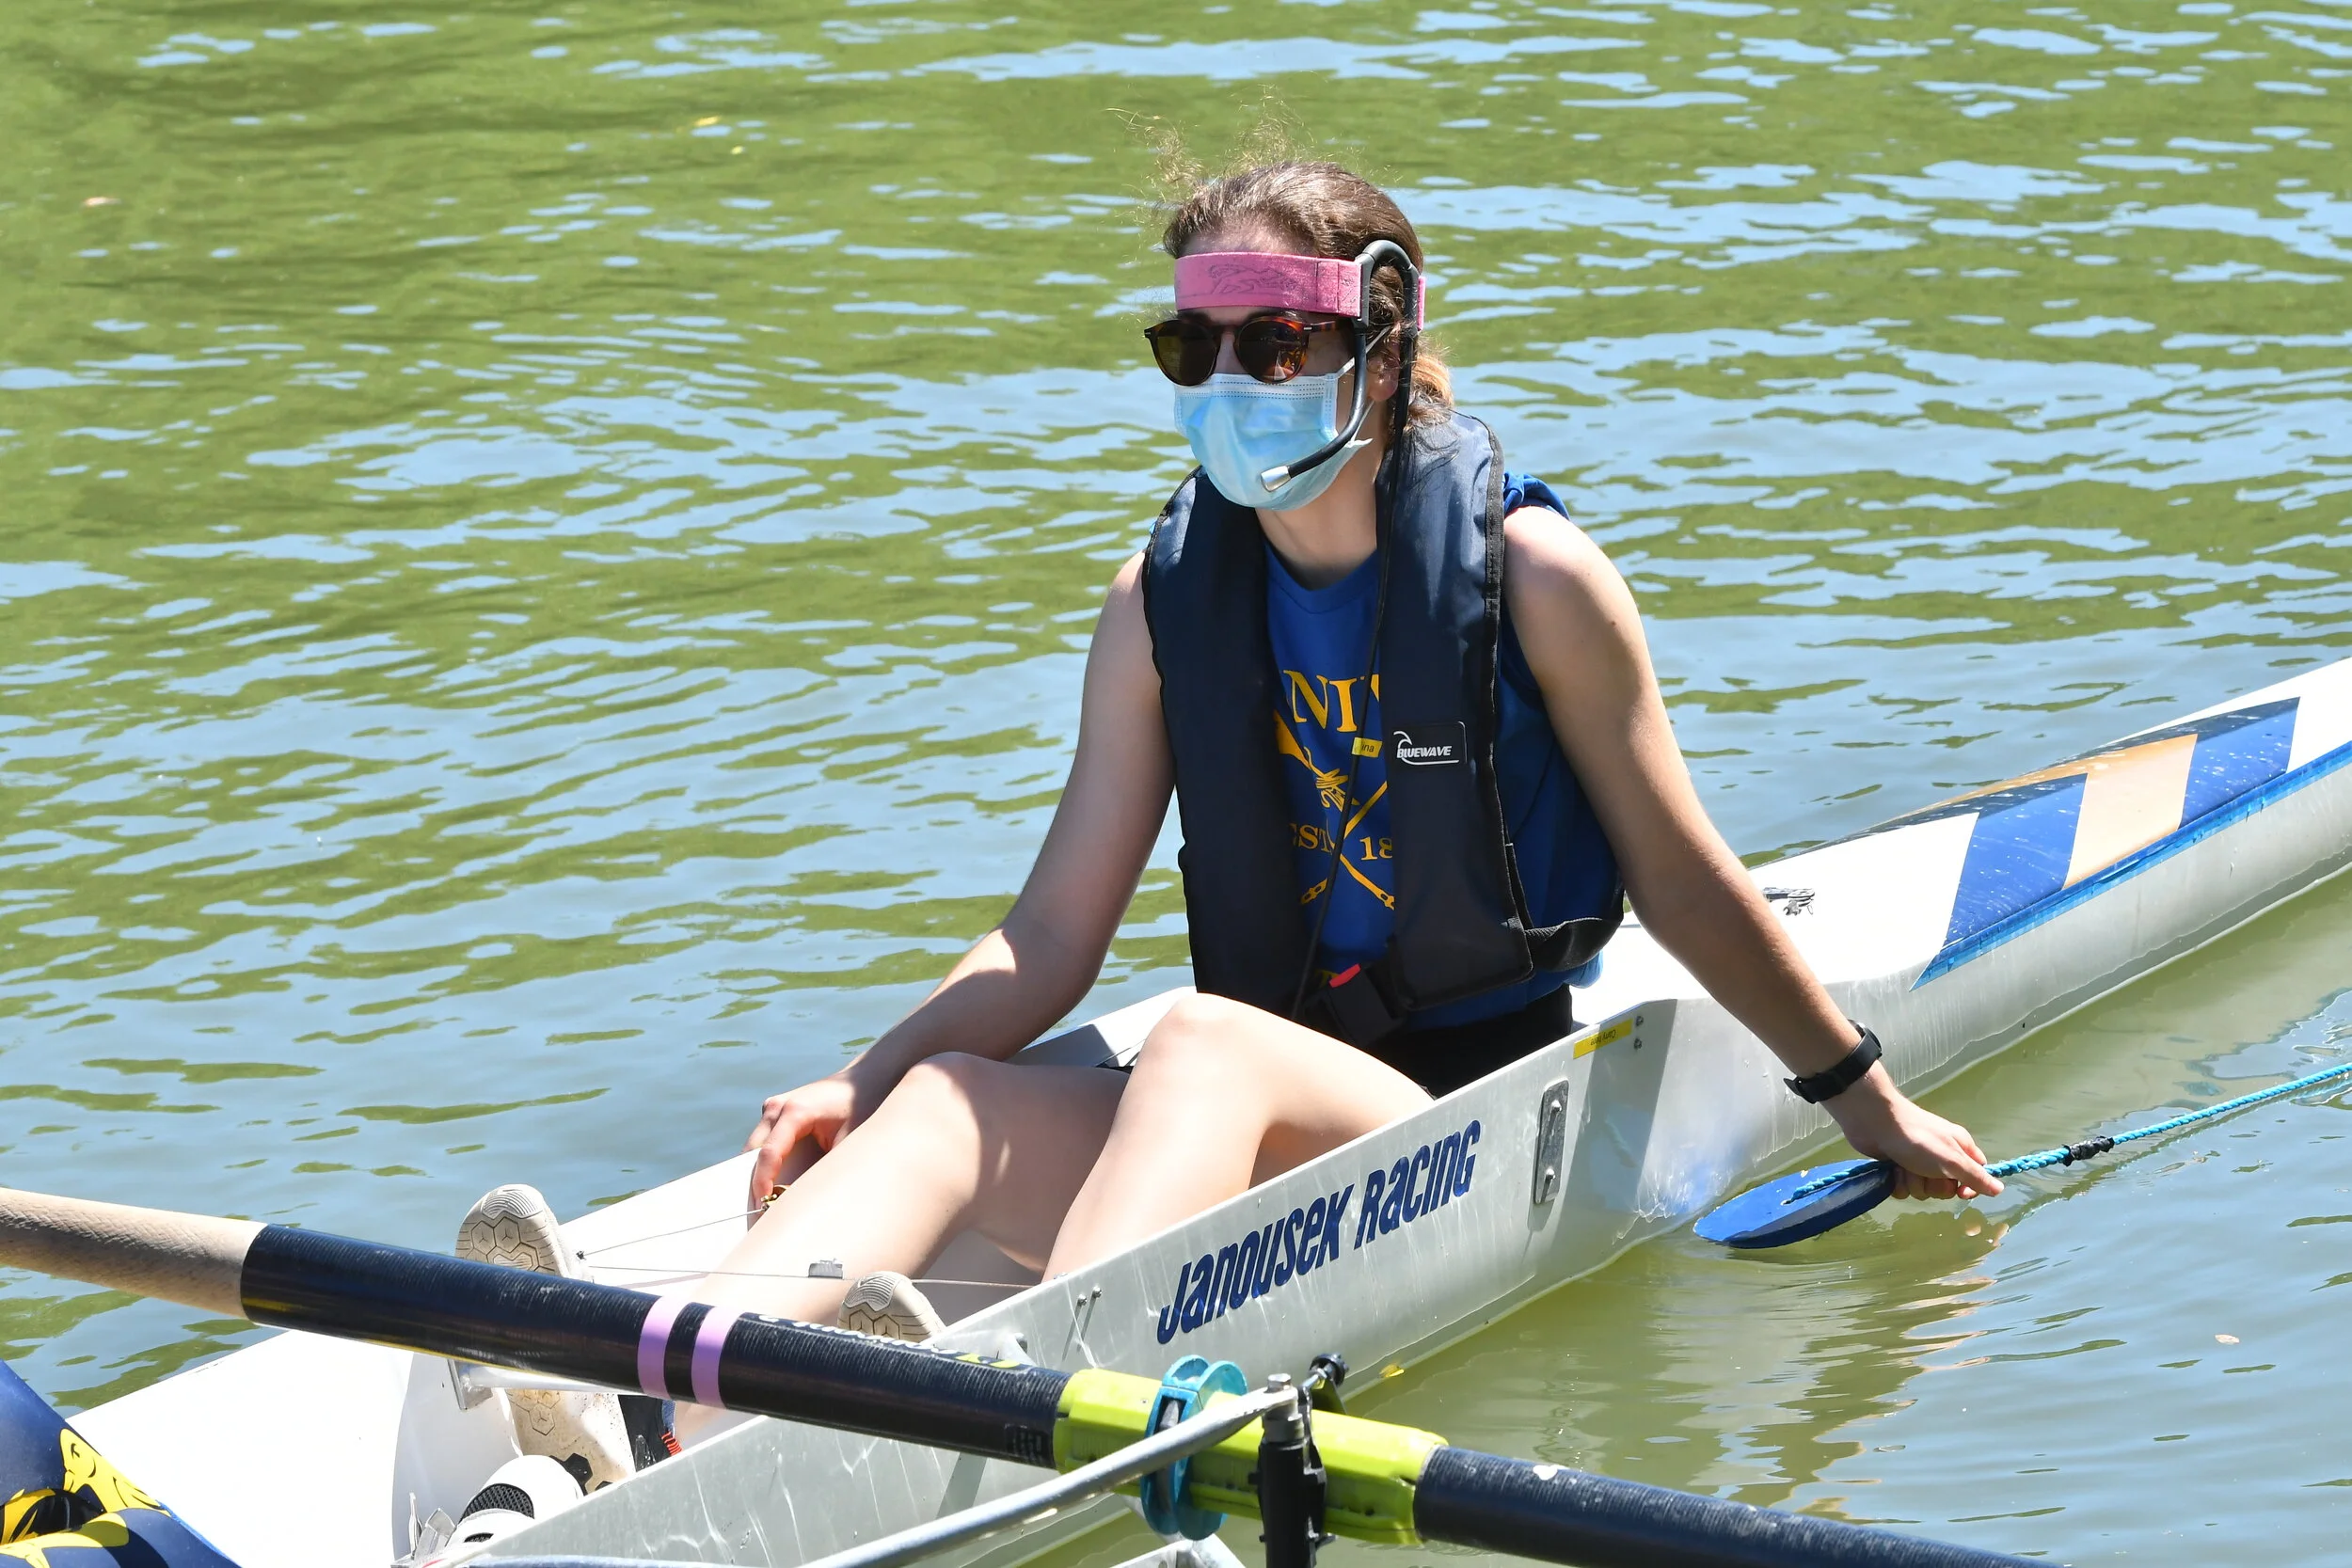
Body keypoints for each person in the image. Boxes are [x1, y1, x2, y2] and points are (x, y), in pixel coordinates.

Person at [458, 158, 2000, 1475]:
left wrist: (1861, 1095)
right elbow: (1053, 930)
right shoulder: (1159, 606)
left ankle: (1005, 1412)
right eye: (1191, 345)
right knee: (946, 1106)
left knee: (1194, 1034)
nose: (1228, 383)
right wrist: (862, 1080)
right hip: (1240, 1133)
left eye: (1274, 342)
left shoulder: (1538, 582)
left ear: (1378, 353)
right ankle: (656, 1409)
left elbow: (1677, 872)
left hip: (1452, 1124)